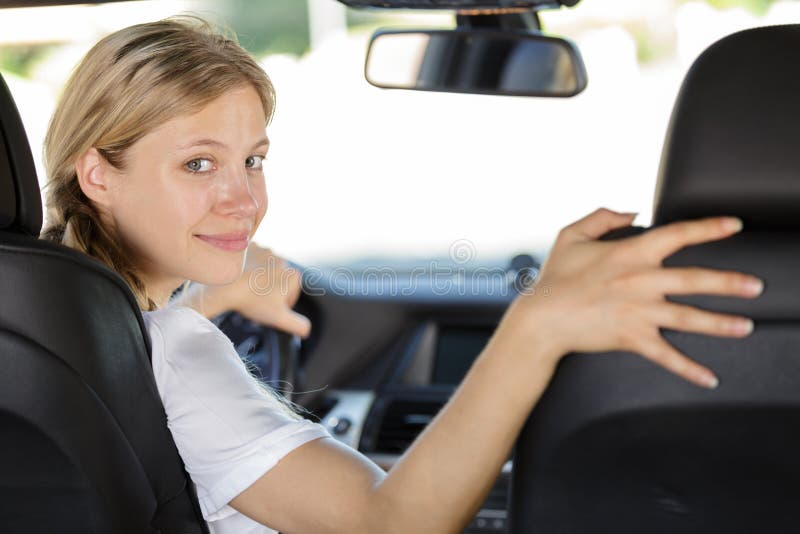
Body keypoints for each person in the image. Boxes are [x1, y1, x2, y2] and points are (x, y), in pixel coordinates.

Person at [39, 16, 763, 534]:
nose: (245, 200)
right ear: (99, 172)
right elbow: (393, 523)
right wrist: (537, 322)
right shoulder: (176, 355)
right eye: (199, 164)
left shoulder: (50, 320)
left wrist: (211, 289)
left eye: (254, 160)